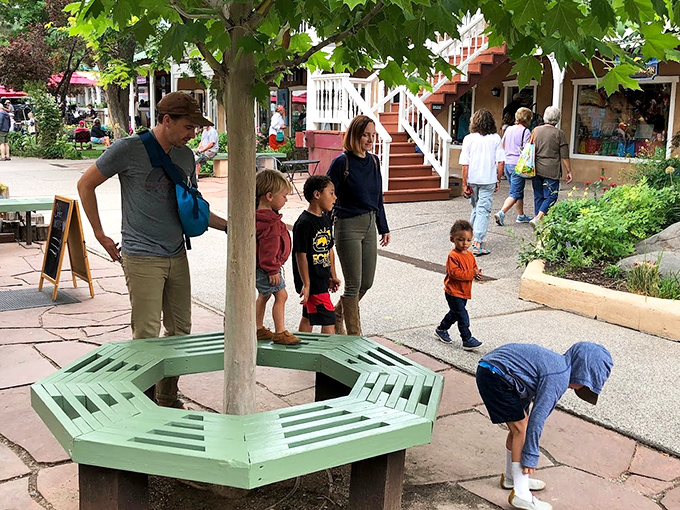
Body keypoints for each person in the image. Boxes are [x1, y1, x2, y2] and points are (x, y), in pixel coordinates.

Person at [77, 92, 228, 408]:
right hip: (141, 255)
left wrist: (231, 226)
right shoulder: (129, 149)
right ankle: (141, 404)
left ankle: (167, 397)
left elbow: (192, 208)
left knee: (180, 331)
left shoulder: (186, 157)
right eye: (188, 127)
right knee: (146, 335)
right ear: (167, 120)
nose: (193, 135)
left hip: (177, 254)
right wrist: (100, 235)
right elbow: (85, 184)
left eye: (196, 129)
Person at [476, 342, 613, 510]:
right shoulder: (559, 376)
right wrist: (530, 457)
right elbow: (537, 419)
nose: (584, 387)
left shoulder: (558, 364)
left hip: (492, 371)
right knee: (522, 429)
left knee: (518, 425)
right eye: (588, 382)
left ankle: (512, 478)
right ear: (583, 371)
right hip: (494, 375)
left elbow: (524, 383)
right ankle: (521, 494)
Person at [327, 114, 390, 335]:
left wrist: (384, 226)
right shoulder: (340, 163)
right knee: (353, 284)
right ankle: (355, 337)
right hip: (348, 225)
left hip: (370, 223)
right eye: (365, 135)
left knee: (367, 282)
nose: (370, 140)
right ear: (355, 134)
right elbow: (327, 196)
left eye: (372, 135)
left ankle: (338, 314)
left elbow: (378, 197)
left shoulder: (374, 161)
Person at [255, 169, 300, 345]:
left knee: (264, 295)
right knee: (281, 296)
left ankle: (258, 328)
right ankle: (280, 332)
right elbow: (268, 249)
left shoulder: (260, 218)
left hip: (263, 268)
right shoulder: (271, 223)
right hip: (269, 268)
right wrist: (272, 269)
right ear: (269, 196)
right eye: (283, 195)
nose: (286, 199)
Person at [293, 175, 341, 334]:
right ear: (317, 195)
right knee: (328, 318)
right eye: (331, 193)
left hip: (322, 277)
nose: (335, 198)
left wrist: (332, 275)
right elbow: (301, 255)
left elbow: (329, 248)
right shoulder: (304, 223)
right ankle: (327, 352)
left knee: (309, 316)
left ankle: (302, 349)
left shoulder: (326, 220)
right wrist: (306, 284)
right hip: (312, 280)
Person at [459, 108, 504, 256]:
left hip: (472, 179)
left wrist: (464, 183)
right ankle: (477, 243)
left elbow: (465, 164)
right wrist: (498, 179)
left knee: (476, 208)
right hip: (488, 179)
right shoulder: (496, 139)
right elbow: (500, 162)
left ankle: (467, 238)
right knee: (483, 210)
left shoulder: (468, 139)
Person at [434, 220, 483, 350]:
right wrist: (471, 274)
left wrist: (476, 274)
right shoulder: (453, 256)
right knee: (462, 316)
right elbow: (455, 273)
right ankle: (467, 339)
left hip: (464, 292)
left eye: (468, 240)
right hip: (453, 292)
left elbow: (473, 268)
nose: (465, 243)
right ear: (452, 239)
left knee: (455, 313)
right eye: (461, 240)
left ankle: (441, 329)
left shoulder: (470, 255)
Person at [530, 106, 573, 230]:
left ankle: (538, 220)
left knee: (538, 195)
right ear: (557, 119)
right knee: (551, 196)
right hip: (551, 170)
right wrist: (569, 171)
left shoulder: (536, 130)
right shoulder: (559, 134)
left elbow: (530, 148)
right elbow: (564, 155)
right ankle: (539, 219)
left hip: (536, 168)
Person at [495, 107, 533, 226]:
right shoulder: (525, 131)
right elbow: (527, 149)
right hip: (518, 165)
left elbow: (503, 145)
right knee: (515, 193)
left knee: (517, 190)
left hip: (507, 163)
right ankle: (501, 213)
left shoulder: (509, 129)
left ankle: (521, 215)